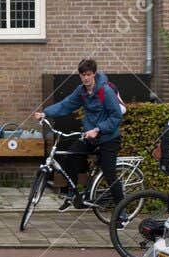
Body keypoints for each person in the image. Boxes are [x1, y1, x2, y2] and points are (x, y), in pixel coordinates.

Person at [31, 58, 126, 209]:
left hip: (108, 137)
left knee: (109, 174)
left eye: (88, 74)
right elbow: (66, 105)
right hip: (89, 136)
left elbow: (116, 117)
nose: (86, 78)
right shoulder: (81, 91)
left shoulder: (105, 91)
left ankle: (122, 212)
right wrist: (45, 113)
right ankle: (72, 195)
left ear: (94, 73)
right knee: (71, 156)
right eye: (83, 75)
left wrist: (98, 129)